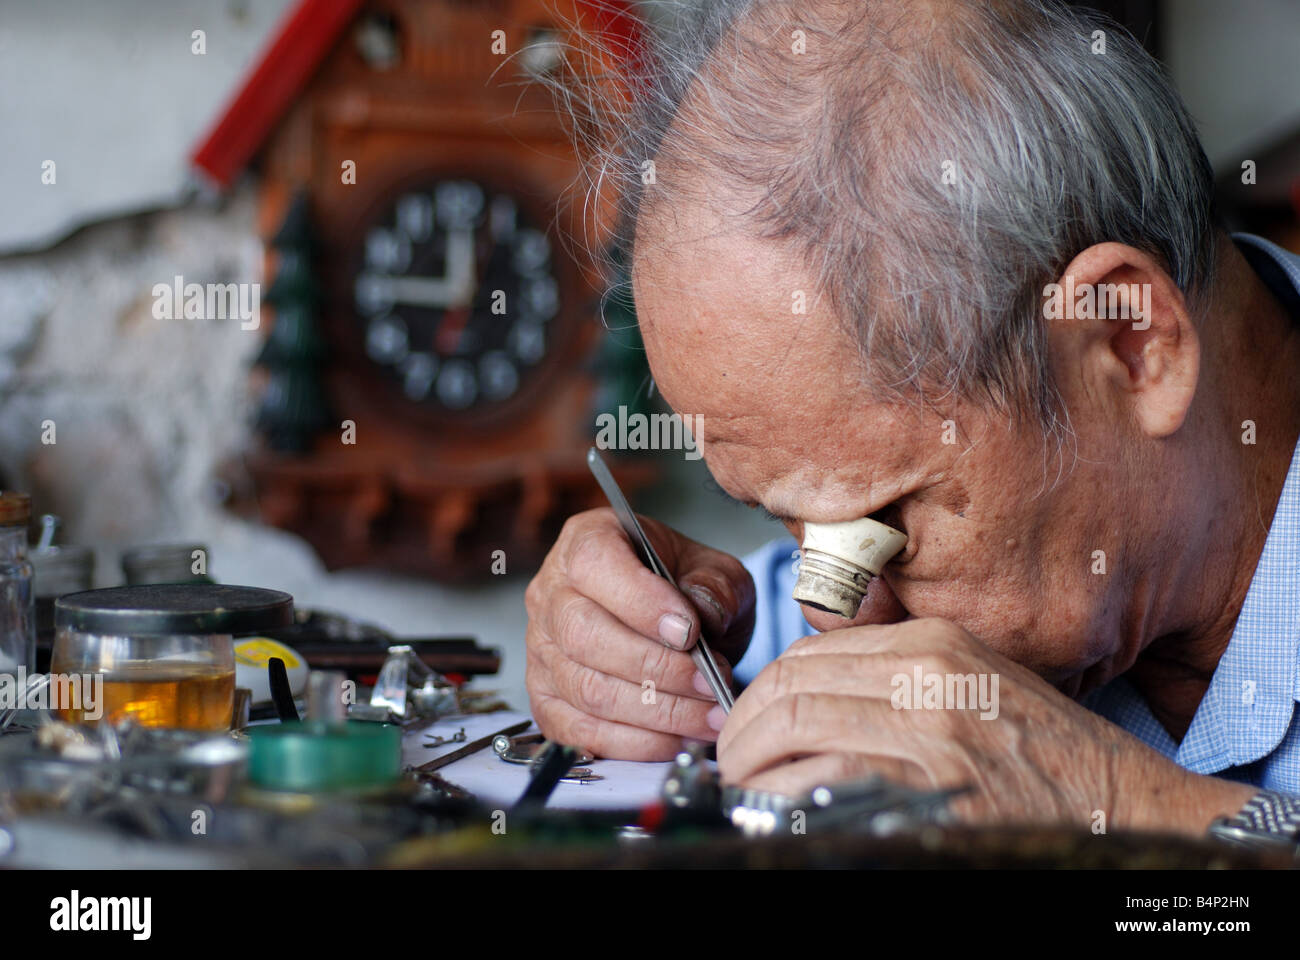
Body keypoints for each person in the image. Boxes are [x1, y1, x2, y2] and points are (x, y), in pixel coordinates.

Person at [525, 0, 1300, 840]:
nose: (830, 619)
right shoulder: (917, 548)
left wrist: (1139, 810)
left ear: (1132, 346)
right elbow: (697, 649)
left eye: (881, 525)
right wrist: (620, 648)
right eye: (788, 522)